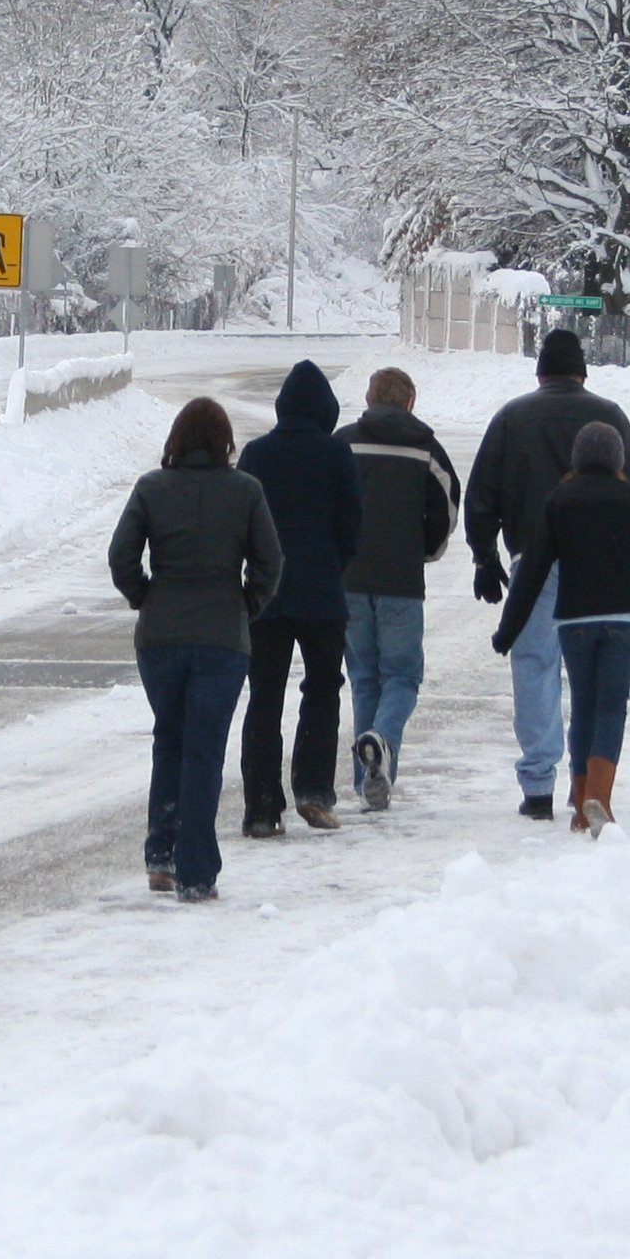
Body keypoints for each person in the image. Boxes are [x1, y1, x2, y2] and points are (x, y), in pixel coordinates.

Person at [465, 329, 630, 821]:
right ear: (582, 372)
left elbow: (481, 492)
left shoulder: (512, 416)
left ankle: (538, 784)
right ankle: (585, 785)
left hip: (534, 563)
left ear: (540, 371)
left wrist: (484, 556)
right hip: (601, 566)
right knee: (592, 679)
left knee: (535, 666)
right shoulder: (609, 416)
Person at [108, 396, 283, 902]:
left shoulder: (151, 489)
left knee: (170, 740)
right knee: (204, 749)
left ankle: (160, 856)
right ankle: (196, 869)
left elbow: (121, 556)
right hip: (223, 638)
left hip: (160, 636)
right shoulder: (246, 492)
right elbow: (270, 562)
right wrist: (245, 604)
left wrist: (144, 595)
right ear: (225, 442)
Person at [491, 421, 630, 832]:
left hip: (574, 620)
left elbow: (533, 569)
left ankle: (580, 806)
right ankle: (598, 796)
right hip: (623, 619)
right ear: (617, 459)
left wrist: (508, 631)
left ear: (578, 458)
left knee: (583, 708)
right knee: (611, 708)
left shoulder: (560, 499)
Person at [234, 360, 363, 836]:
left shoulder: (256, 454)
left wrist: (253, 577)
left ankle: (262, 808)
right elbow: (352, 525)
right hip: (322, 593)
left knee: (264, 696)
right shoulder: (336, 454)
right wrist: (331, 564)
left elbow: (240, 524)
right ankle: (314, 790)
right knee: (323, 689)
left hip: (265, 598)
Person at [336, 366, 459, 812]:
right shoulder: (425, 447)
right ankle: (382, 745)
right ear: (409, 402)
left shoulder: (343, 442)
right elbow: (446, 506)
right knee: (403, 676)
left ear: (369, 399)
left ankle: (365, 779)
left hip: (349, 579)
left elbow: (326, 500)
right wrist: (425, 551)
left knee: (364, 676)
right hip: (402, 581)